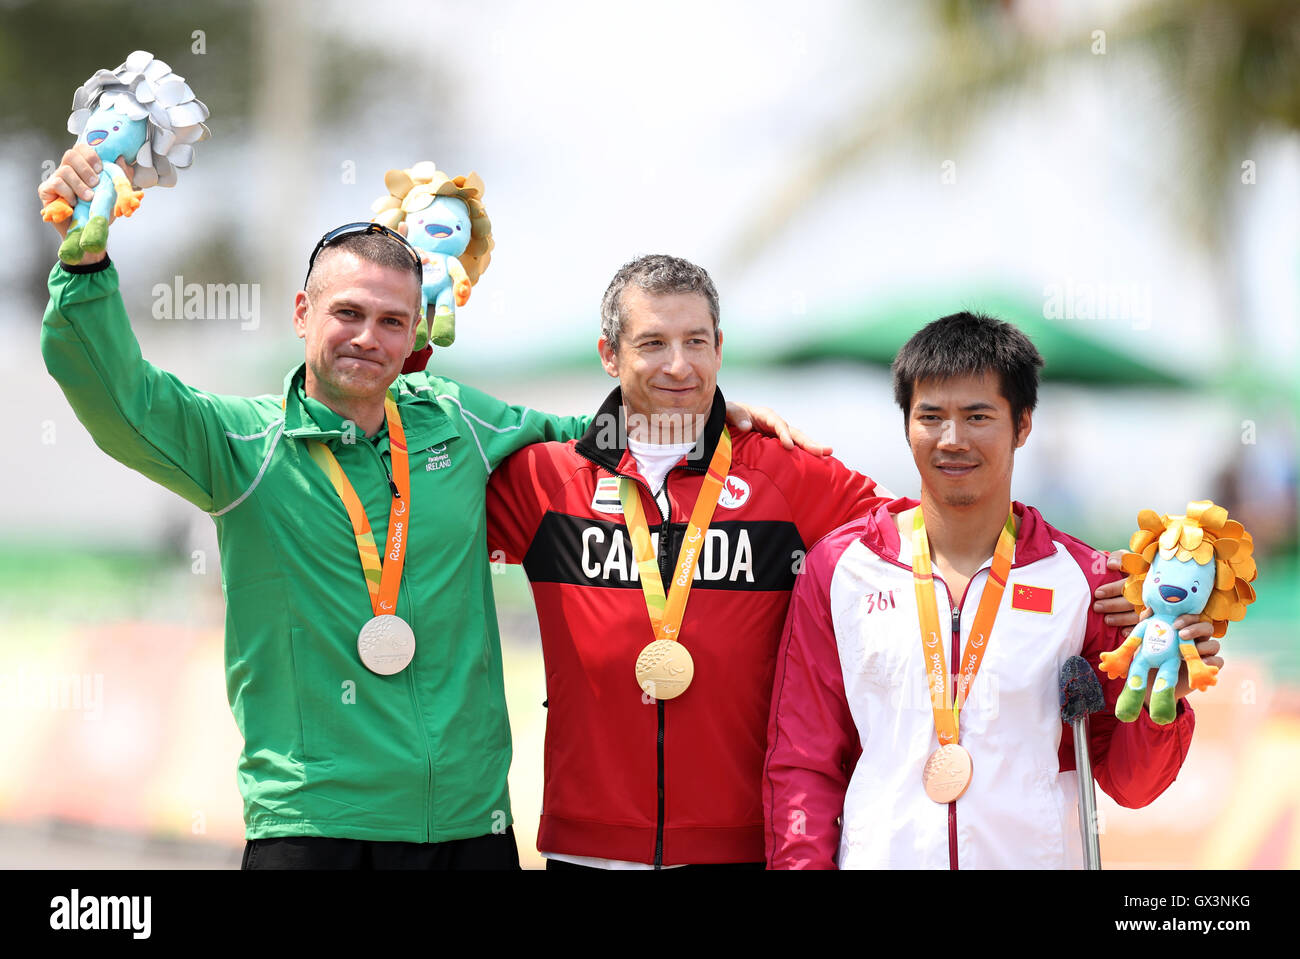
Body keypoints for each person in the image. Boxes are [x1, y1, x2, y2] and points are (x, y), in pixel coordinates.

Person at [37, 148, 787, 870]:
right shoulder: (241, 445)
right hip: (313, 826)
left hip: (470, 826)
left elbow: (592, 443)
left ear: (416, 330)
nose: (369, 337)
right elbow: (120, 395)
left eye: (393, 321)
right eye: (349, 313)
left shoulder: (457, 421)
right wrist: (84, 266)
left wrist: (704, 416)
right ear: (303, 313)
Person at [763, 311, 1224, 869]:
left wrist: (1161, 698)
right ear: (906, 424)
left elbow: (1132, 785)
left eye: (978, 415)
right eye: (931, 416)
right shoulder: (840, 569)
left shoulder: (1088, 582)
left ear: (1023, 424)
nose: (952, 439)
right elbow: (802, 763)